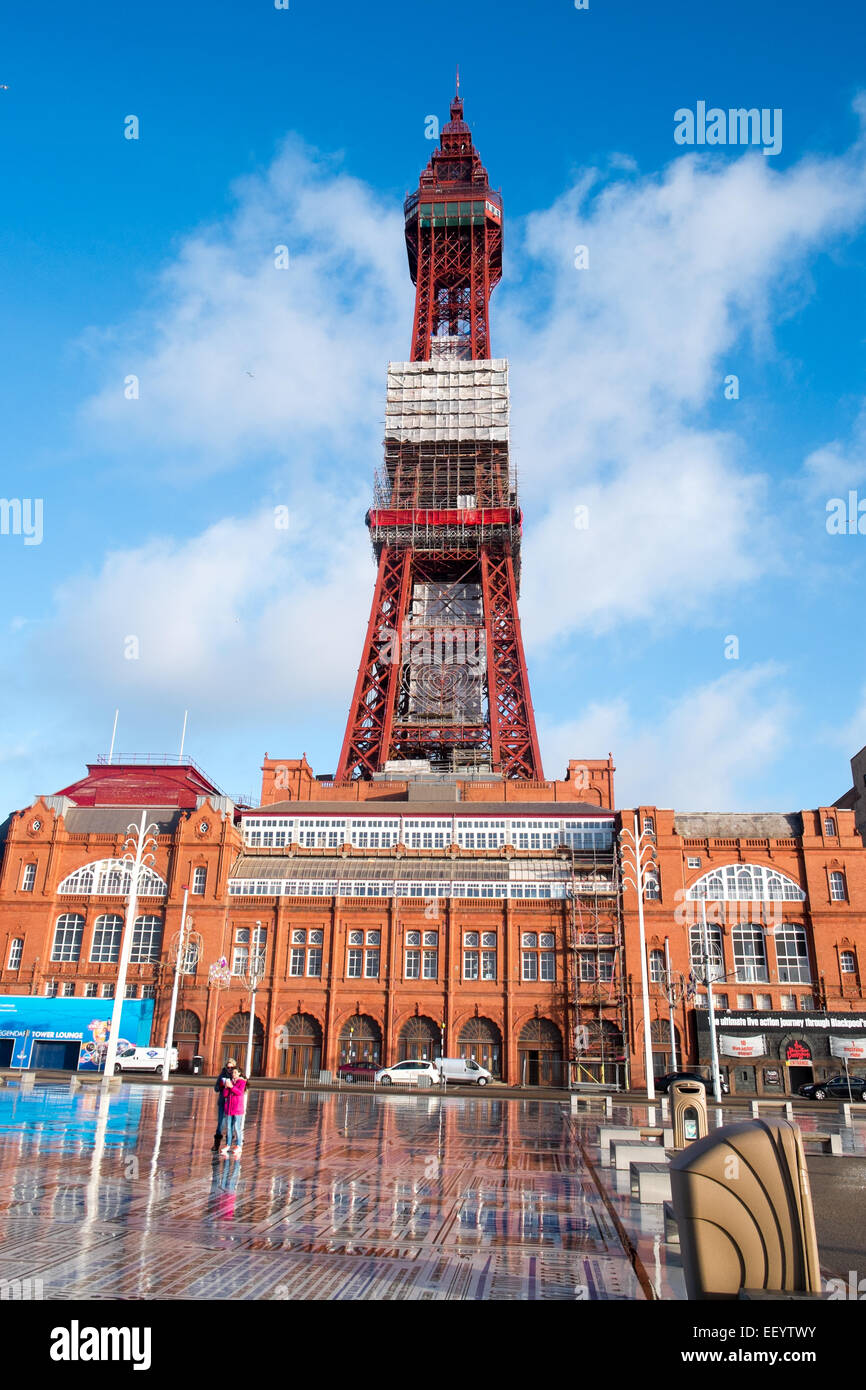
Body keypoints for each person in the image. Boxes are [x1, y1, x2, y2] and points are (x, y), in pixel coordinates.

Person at [219, 1065, 247, 1157]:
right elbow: (225, 1095)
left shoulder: (241, 1082)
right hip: (229, 1108)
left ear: (239, 1073)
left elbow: (239, 1092)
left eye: (235, 1072)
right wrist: (226, 1087)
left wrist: (231, 1087)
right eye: (233, 1073)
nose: (233, 1074)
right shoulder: (230, 1081)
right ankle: (228, 1144)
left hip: (237, 1108)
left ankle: (239, 1145)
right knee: (229, 1127)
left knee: (236, 1127)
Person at [213, 1057, 237, 1152]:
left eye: (231, 1068)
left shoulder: (236, 1076)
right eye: (228, 1067)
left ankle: (229, 1144)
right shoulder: (222, 1075)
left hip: (232, 1103)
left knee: (231, 1124)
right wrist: (221, 1086)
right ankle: (216, 1145)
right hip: (223, 1102)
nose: (229, 1069)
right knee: (221, 1124)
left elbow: (241, 1089)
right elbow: (216, 1088)